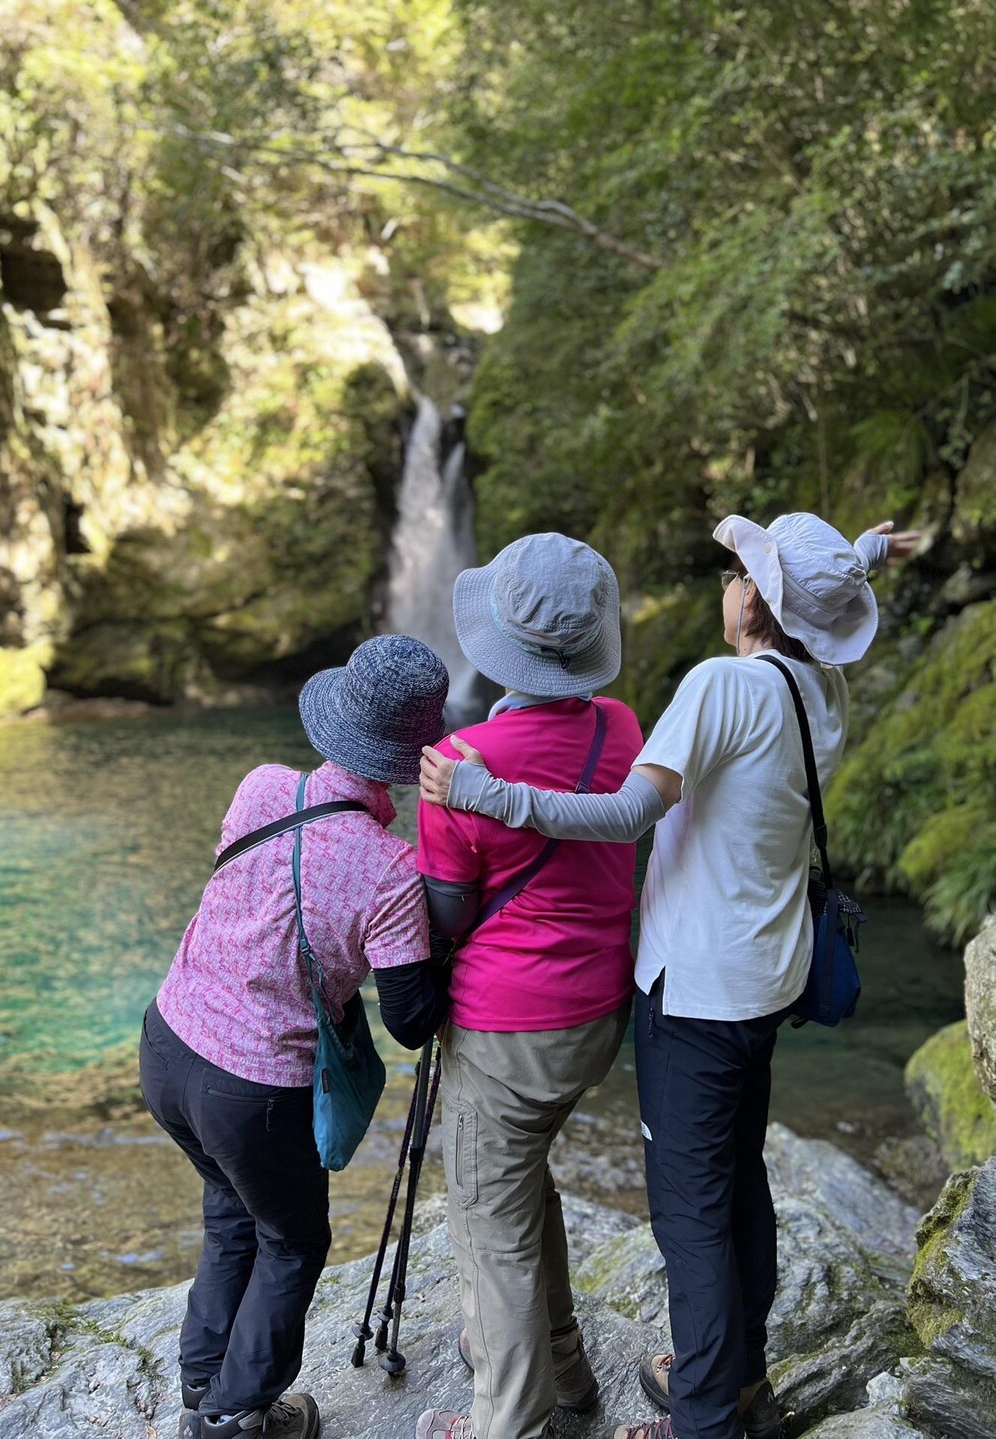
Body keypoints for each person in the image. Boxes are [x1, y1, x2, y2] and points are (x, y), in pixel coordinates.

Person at [420, 515, 920, 1439]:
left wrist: (486, 794)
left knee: (688, 1215)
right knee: (739, 1183)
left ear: (756, 601)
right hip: (771, 976)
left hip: (692, 988)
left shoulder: (719, 686)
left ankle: (701, 1420)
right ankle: (732, 1380)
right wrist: (857, 558)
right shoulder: (822, 686)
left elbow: (621, 817)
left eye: (738, 573)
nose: (725, 584)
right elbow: (813, 607)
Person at [139, 635, 451, 1439]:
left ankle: (204, 1382)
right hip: (252, 1091)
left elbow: (248, 897)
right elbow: (412, 1021)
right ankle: (234, 1416)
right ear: (412, 752)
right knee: (294, 1239)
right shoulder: (390, 869)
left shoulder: (261, 785)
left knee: (229, 1208)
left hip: (168, 1040)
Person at [412, 532, 646, 1439]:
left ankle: (510, 1419)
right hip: (597, 1013)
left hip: (506, 1026)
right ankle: (565, 1367)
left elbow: (445, 915)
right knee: (519, 1181)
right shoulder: (620, 727)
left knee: (488, 1224)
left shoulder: (457, 763)